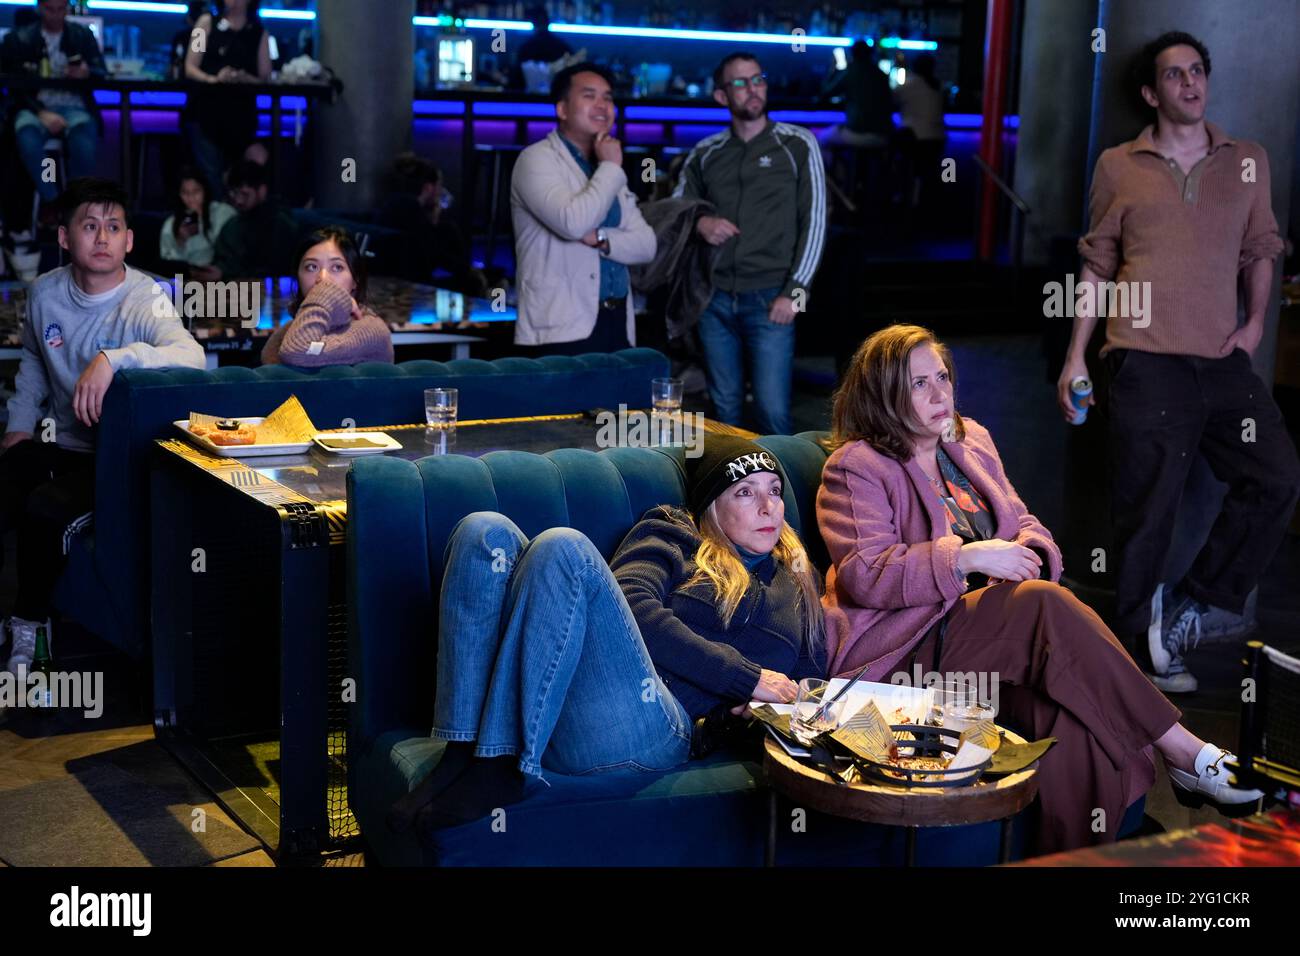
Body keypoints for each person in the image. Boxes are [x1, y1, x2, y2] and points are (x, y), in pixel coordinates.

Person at [817, 325, 1263, 855]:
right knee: (1040, 602)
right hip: (908, 650)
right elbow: (865, 573)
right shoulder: (857, 467)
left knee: (1072, 723)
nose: (941, 394)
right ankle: (1185, 752)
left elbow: (1024, 522)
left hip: (995, 646)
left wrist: (1027, 554)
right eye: (918, 384)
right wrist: (969, 557)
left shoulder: (969, 439)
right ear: (883, 393)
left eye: (943, 377)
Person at [385, 435, 827, 836]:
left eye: (774, 490)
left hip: (658, 727)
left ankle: (497, 764)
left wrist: (737, 720)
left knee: (565, 546)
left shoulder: (799, 583)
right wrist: (743, 677)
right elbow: (633, 603)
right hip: (565, 689)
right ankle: (463, 752)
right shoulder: (673, 533)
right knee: (484, 531)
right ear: (711, 505)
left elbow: (805, 697)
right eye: (746, 493)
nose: (768, 507)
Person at [1060, 32, 1298, 693]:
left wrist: (1253, 326)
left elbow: (1262, 249)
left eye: (1198, 72)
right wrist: (1076, 356)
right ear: (1150, 92)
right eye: (1175, 75)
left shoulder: (1247, 160)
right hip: (1142, 359)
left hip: (1221, 364)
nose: (1191, 84)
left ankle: (1191, 608)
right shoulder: (1119, 165)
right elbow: (1098, 263)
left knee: (1276, 477)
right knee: (1148, 511)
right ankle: (1141, 652)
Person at [0, 179, 206, 681]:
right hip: (64, 444)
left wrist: (115, 358)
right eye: (89, 226)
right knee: (8, 477)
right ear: (65, 238)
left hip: (121, 458)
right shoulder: (45, 293)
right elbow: (31, 360)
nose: (102, 238)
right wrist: (18, 427)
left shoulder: (146, 298)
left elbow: (193, 358)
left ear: (129, 241)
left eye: (114, 227)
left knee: (44, 506)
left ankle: (30, 624)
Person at [673, 52, 826, 435]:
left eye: (758, 79)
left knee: (773, 411)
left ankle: (780, 494)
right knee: (724, 409)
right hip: (714, 299)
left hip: (771, 297)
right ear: (722, 97)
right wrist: (701, 222)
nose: (753, 89)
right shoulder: (706, 152)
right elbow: (675, 211)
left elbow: (816, 221)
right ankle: (730, 493)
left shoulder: (798, 144)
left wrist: (795, 291)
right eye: (740, 83)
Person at [510, 63, 655, 355]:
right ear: (562, 109)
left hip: (616, 320)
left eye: (608, 97)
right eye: (589, 96)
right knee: (562, 403)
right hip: (560, 325)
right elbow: (573, 223)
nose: (602, 105)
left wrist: (601, 237)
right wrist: (612, 167)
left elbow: (647, 245)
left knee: (619, 403)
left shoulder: (603, 164)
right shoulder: (536, 160)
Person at [0, 0, 107, 220]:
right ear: (40, 8)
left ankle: (77, 203)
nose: (56, 15)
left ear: (67, 9)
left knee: (83, 143)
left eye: (61, 9)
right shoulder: (18, 39)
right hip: (34, 108)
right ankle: (53, 199)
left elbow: (101, 71)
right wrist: (41, 113)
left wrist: (87, 72)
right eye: (50, 9)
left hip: (76, 108)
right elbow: (13, 87)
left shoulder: (82, 35)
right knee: (28, 138)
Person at [261, 227, 393, 367]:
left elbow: (298, 350)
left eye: (337, 267)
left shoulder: (370, 329)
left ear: (355, 280)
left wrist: (327, 295)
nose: (322, 279)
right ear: (298, 277)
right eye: (311, 267)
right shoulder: (289, 329)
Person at [181, 0, 272, 203]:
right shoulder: (205, 23)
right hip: (206, 112)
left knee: (241, 177)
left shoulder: (259, 32)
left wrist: (245, 78)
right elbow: (189, 67)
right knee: (210, 176)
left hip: (242, 116)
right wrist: (213, 79)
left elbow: (266, 76)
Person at [376, 152, 485, 296]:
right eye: (439, 186)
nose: (441, 192)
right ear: (428, 188)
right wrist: (469, 271)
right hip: (409, 284)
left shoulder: (393, 204)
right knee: (472, 282)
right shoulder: (412, 210)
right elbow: (435, 254)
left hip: (389, 277)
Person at [209, 159, 300, 279]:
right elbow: (223, 258)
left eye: (244, 194)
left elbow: (276, 268)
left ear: (261, 191)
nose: (238, 200)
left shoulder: (280, 223)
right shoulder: (232, 225)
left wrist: (225, 273)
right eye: (234, 194)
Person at [158, 167, 237, 273]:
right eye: (185, 193)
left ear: (205, 190)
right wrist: (181, 241)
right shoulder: (171, 224)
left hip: (220, 274)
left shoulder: (222, 212)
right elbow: (168, 263)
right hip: (188, 279)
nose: (191, 198)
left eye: (196, 191)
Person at [819, 40, 894, 149]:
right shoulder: (881, 74)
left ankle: (841, 166)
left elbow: (825, 93)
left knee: (822, 138)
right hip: (884, 134)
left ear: (852, 54)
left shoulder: (851, 72)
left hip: (858, 132)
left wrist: (833, 68)